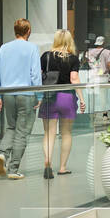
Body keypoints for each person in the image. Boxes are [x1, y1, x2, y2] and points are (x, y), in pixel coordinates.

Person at [0, 18, 42, 180]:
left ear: (15, 31)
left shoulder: (4, 48)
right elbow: (35, 74)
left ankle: (2, 154)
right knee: (22, 132)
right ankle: (13, 169)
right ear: (28, 31)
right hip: (26, 94)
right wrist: (39, 95)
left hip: (7, 93)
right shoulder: (33, 48)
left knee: (11, 127)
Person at [38, 29, 84, 179]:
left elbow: (39, 77)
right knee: (66, 133)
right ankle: (63, 167)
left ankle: (47, 162)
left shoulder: (46, 57)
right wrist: (82, 98)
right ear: (70, 41)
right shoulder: (73, 59)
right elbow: (74, 79)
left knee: (48, 133)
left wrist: (38, 96)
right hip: (66, 97)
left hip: (49, 96)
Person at [84, 34, 110, 117]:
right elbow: (109, 64)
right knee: (103, 96)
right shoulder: (107, 52)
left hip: (92, 76)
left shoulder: (89, 52)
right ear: (104, 42)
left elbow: (84, 61)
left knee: (92, 95)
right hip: (103, 77)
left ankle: (91, 113)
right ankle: (104, 113)